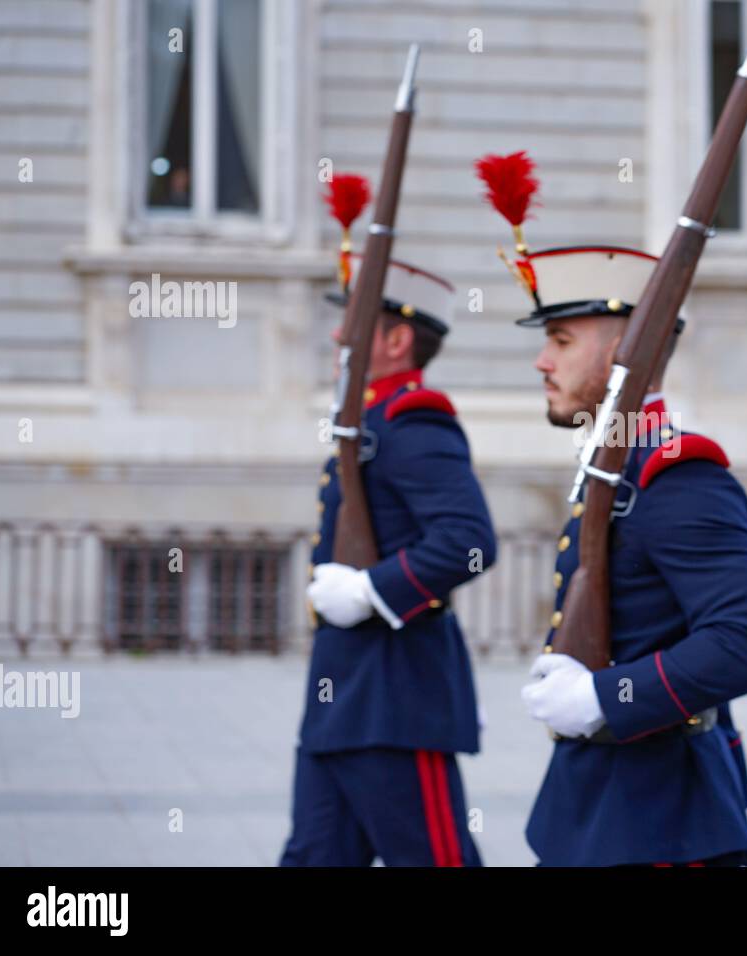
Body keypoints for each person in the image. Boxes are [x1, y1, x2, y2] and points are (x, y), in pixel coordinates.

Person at [476, 150, 747, 866]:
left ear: (623, 350)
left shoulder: (677, 477)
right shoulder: (618, 467)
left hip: (656, 824)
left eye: (559, 341)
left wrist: (605, 697)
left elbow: (745, 642)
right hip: (610, 804)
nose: (541, 363)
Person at [280, 177, 497, 866]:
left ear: (398, 338)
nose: (340, 333)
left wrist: (370, 590)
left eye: (358, 320)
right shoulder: (368, 420)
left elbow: (467, 543)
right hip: (343, 696)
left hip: (396, 700)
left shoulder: (413, 419)